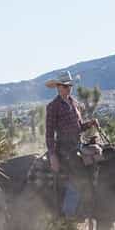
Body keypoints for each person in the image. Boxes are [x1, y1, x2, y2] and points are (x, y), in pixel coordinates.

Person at [45, 71, 99, 217]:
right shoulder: (53, 106)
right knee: (79, 175)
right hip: (64, 149)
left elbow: (78, 127)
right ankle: (69, 212)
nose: (68, 88)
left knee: (99, 159)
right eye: (65, 86)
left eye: (70, 85)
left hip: (78, 145)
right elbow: (49, 134)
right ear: (58, 87)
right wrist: (52, 156)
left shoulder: (74, 103)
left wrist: (89, 124)